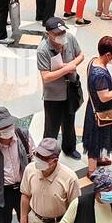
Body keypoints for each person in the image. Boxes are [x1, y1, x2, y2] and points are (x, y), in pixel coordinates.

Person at [35, 18, 83, 157]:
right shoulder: (43, 50)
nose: (61, 35)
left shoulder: (69, 38)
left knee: (70, 121)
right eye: (57, 33)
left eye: (62, 31)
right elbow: (46, 77)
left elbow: (81, 55)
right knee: (51, 126)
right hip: (54, 94)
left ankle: (69, 148)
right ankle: (48, 153)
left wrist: (72, 64)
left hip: (71, 88)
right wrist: (66, 69)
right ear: (48, 34)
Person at [81, 35, 112, 172]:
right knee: (94, 141)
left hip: (94, 108)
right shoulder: (99, 74)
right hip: (99, 111)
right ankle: (92, 172)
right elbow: (104, 97)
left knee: (99, 138)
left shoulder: (94, 61)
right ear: (108, 55)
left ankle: (99, 159)